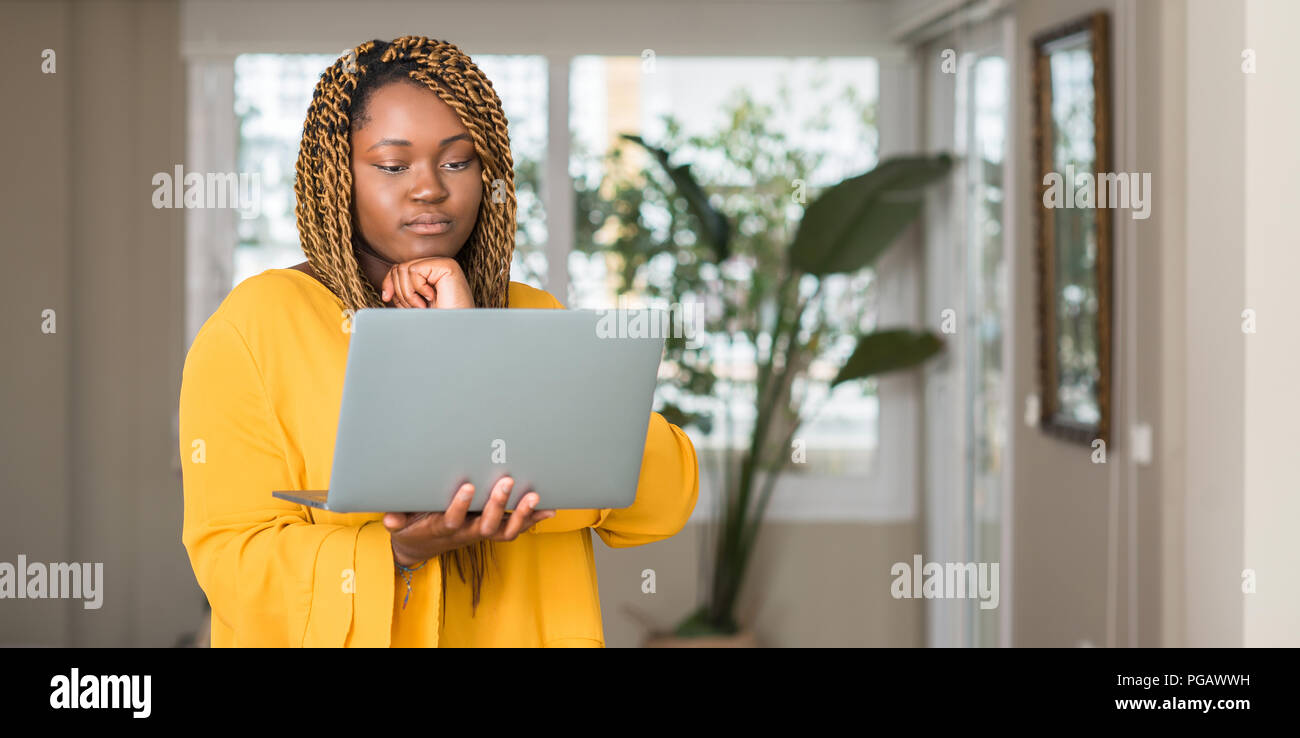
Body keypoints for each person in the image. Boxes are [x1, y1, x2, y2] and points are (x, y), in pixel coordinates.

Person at [179, 36, 700, 647]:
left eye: (457, 161)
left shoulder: (531, 314)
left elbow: (666, 499)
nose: (429, 188)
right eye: (393, 165)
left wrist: (475, 339)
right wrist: (397, 551)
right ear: (337, 175)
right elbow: (234, 560)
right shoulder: (257, 326)